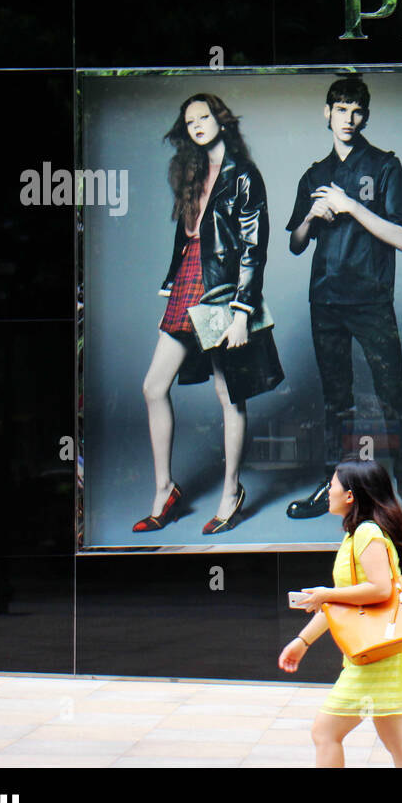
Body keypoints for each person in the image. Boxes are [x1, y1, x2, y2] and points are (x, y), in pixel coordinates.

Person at [284, 75, 402, 540]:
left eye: (357, 110)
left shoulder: (385, 166)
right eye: (341, 109)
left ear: (365, 116)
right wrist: (313, 216)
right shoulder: (314, 174)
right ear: (326, 113)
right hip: (325, 300)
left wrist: (350, 206)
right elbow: (294, 244)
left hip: (370, 301)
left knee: (394, 398)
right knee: (336, 403)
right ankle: (335, 486)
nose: (348, 118)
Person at [134, 93, 283, 535]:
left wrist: (241, 312)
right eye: (189, 121)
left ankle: (230, 492)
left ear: (220, 119)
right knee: (153, 386)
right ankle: (165, 490)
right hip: (188, 282)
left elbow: (255, 248)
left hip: (221, 290)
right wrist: (171, 285)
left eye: (204, 116)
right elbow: (188, 238)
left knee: (228, 393)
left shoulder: (244, 175)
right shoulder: (191, 172)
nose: (197, 125)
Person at [278, 459, 402, 768]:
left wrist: (326, 594)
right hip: (382, 652)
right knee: (398, 742)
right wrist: (302, 641)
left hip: (376, 657)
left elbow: (380, 589)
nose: (326, 491)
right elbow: (344, 604)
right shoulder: (357, 534)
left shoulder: (367, 533)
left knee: (324, 732)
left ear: (349, 496)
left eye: (331, 485)